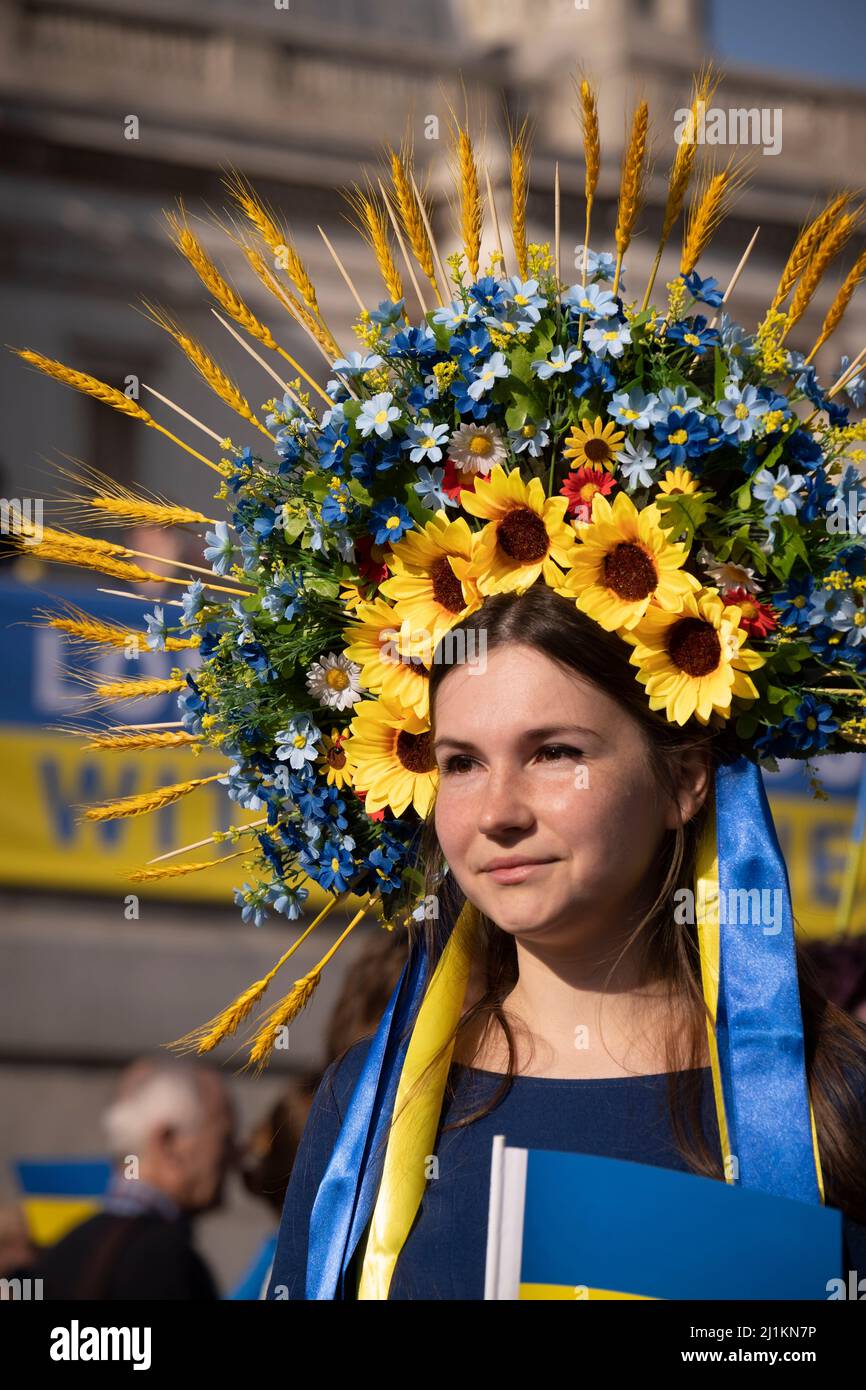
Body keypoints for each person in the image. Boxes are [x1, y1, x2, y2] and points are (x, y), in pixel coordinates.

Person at [268, 585, 866, 1300]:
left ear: (682, 778)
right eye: (461, 762)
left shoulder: (827, 1096)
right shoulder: (370, 1104)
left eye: (553, 752)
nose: (497, 813)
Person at [35, 1056, 235, 1299]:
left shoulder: (63, 1250)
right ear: (169, 1143)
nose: (234, 1156)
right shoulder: (165, 1261)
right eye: (225, 1140)